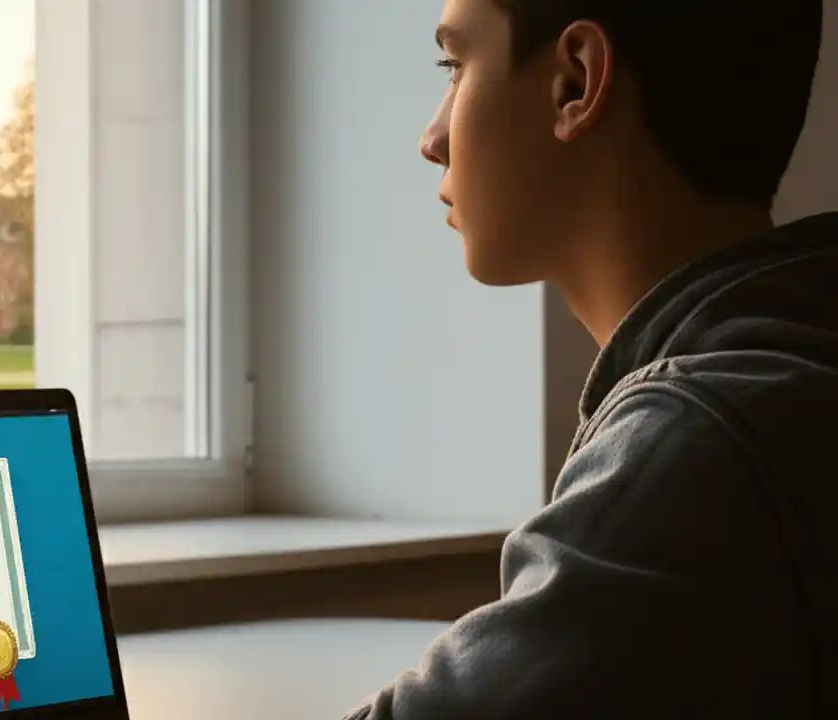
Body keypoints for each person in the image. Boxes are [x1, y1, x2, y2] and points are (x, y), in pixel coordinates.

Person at [346, 0, 835, 717]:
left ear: (574, 83)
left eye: (455, 65)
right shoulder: (798, 364)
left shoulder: (693, 453)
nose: (432, 138)